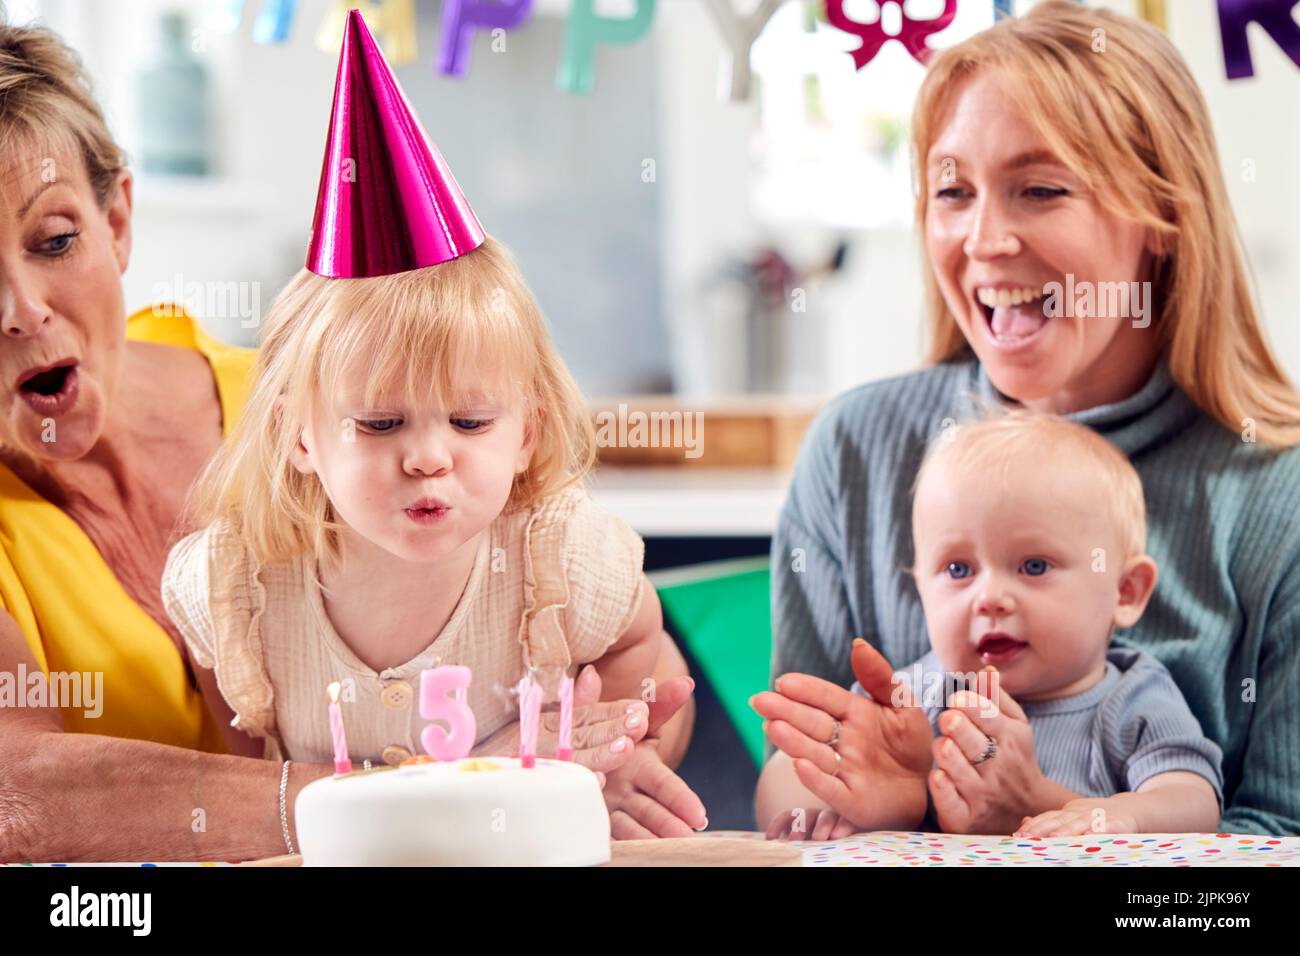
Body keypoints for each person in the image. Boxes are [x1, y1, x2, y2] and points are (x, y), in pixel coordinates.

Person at [0, 15, 688, 863]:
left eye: (55, 240)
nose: (20, 309)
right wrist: (455, 794)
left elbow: (629, 674)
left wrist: (601, 758)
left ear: (118, 220)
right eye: (383, 426)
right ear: (299, 438)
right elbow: (14, 792)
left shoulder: (342, 384)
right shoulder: (261, 516)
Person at [755, 1, 1300, 837]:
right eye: (951, 191)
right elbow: (797, 791)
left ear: (1167, 216)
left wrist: (1060, 819)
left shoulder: (1279, 494)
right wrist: (874, 797)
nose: (984, 240)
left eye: (1040, 190)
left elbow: (1278, 842)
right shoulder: (853, 453)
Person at [758, 411, 1223, 837]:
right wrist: (835, 796)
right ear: (920, 586)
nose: (990, 599)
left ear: (1125, 591)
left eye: (1034, 566)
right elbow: (778, 787)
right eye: (958, 570)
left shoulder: (1132, 698)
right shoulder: (913, 697)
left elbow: (1196, 803)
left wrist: (1125, 815)